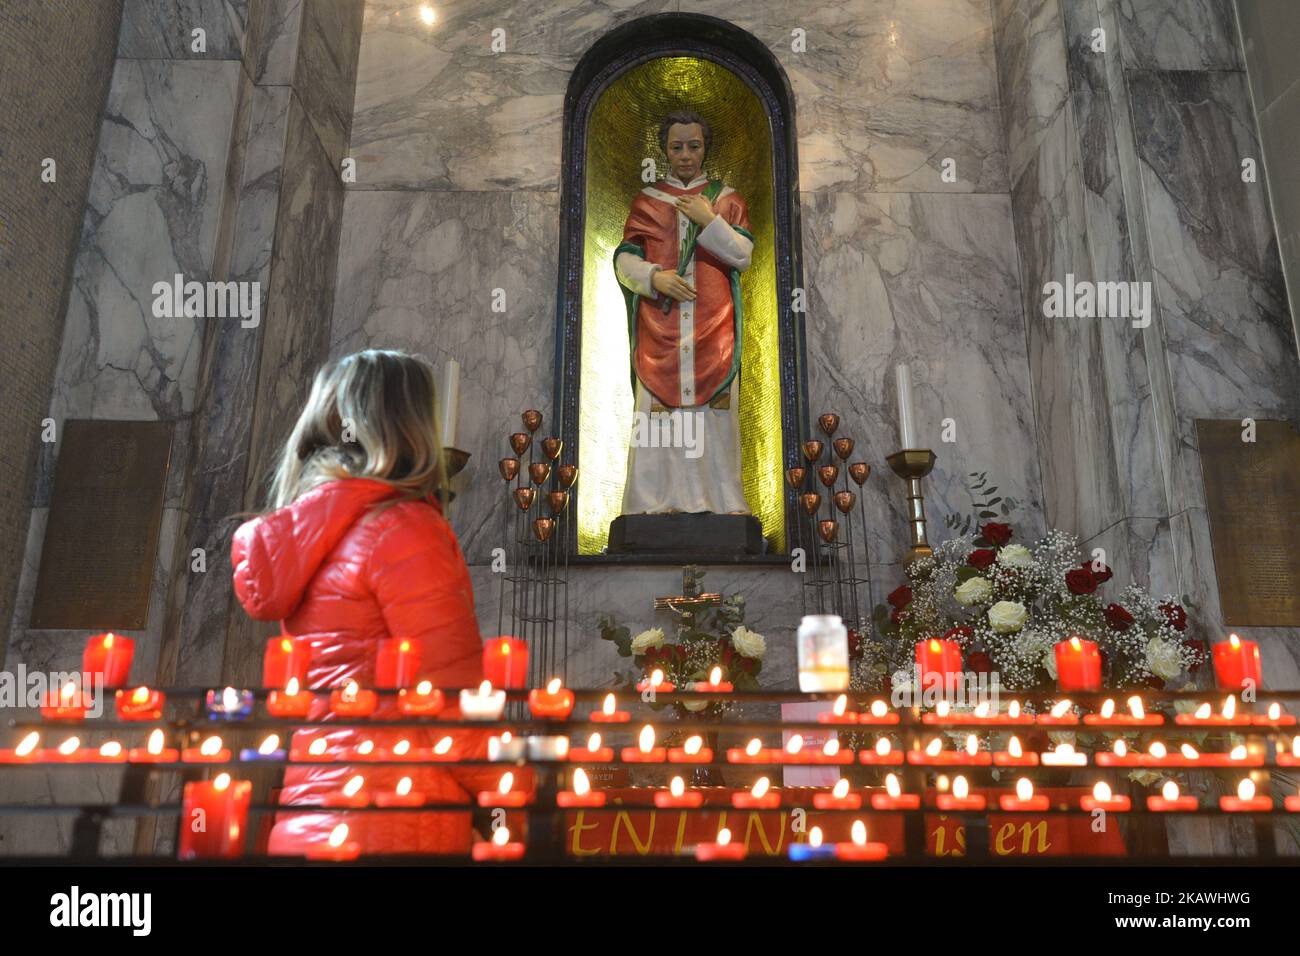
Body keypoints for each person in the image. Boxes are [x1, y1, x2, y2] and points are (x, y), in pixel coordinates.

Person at [230, 349, 509, 856]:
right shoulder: (404, 530)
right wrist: (521, 795)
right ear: (412, 427)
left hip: (310, 816)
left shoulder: (311, 533)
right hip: (394, 824)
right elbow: (450, 705)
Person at [613, 109, 755, 515]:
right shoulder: (648, 201)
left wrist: (709, 221)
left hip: (714, 331)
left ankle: (720, 502)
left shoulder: (726, 200)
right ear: (665, 151)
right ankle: (652, 505)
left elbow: (743, 255)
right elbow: (624, 259)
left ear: (705, 148)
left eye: (694, 146)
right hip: (663, 330)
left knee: (713, 419)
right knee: (659, 422)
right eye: (677, 147)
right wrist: (654, 278)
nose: (686, 155)